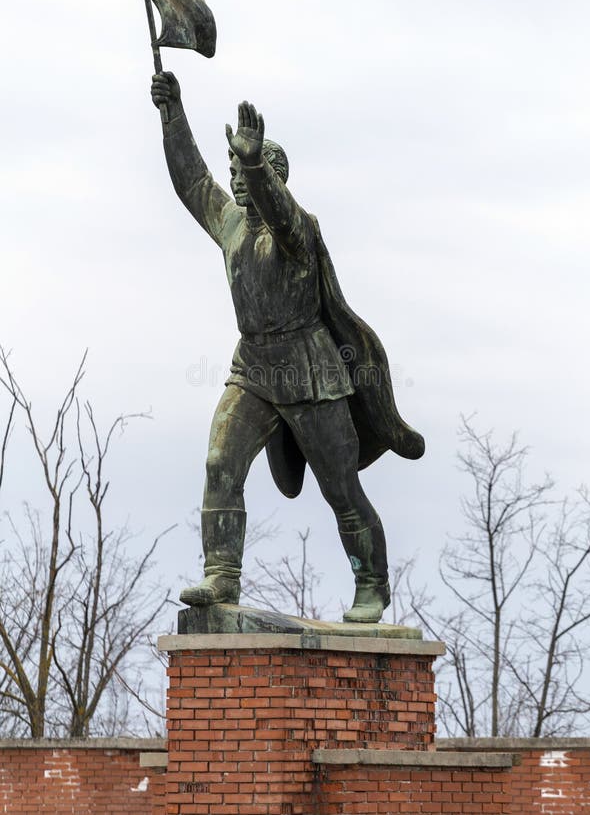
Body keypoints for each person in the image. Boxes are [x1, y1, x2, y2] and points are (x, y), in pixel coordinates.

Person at [151, 72, 424, 622]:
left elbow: (281, 214)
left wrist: (255, 162)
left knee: (340, 488)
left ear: (273, 178)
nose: (235, 178)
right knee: (219, 462)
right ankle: (221, 575)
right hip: (253, 367)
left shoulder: (297, 229)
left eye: (245, 170)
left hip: (308, 371)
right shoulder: (231, 225)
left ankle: (371, 582)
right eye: (234, 170)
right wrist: (172, 114)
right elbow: (193, 182)